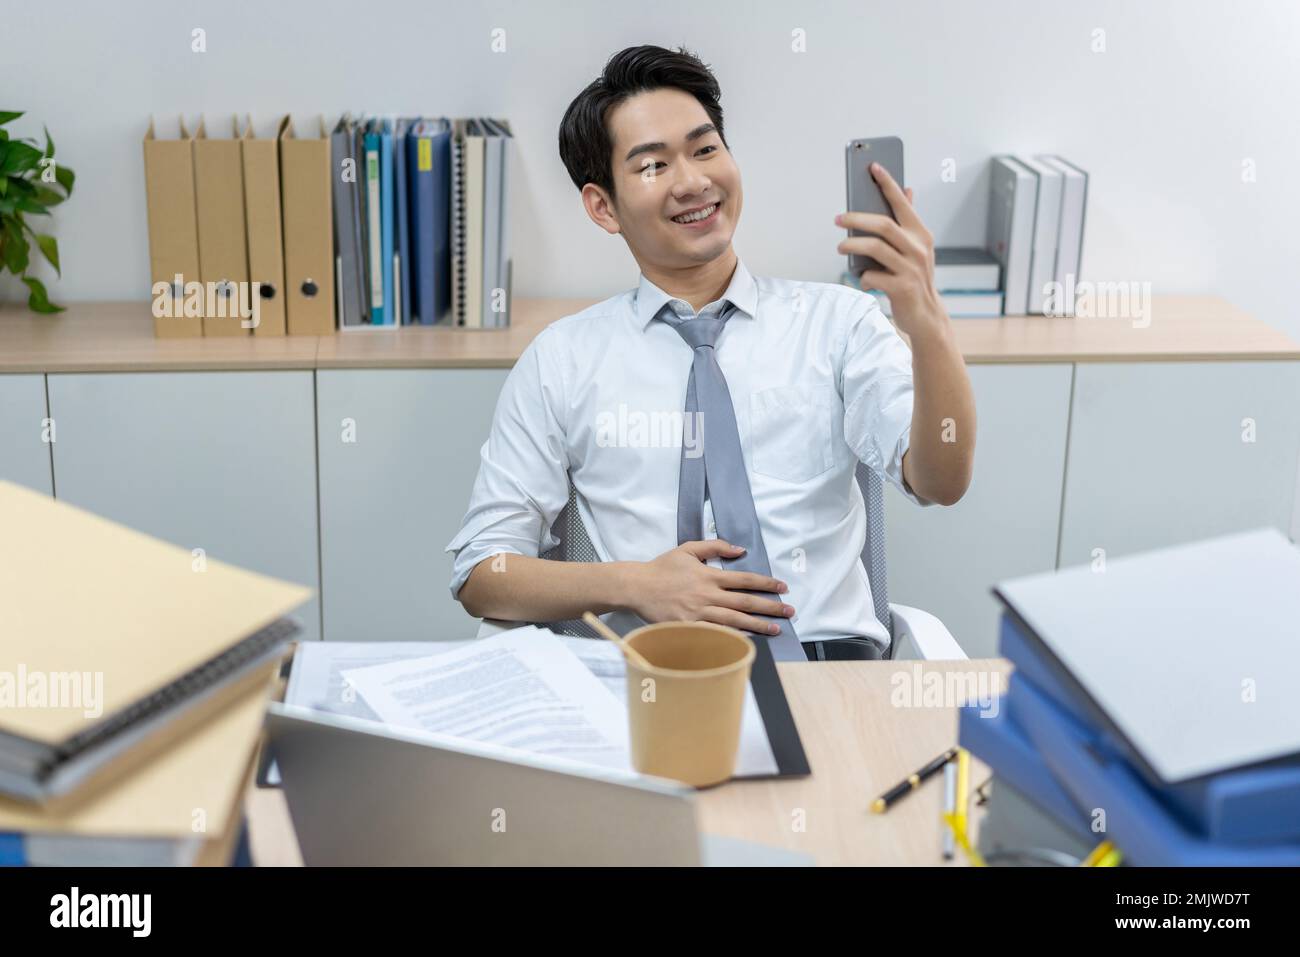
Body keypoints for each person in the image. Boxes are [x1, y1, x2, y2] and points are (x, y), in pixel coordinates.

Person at [447, 45, 975, 661]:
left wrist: (927, 320)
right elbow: (483, 572)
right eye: (653, 166)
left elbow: (941, 480)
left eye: (705, 149)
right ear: (602, 206)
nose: (693, 181)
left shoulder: (837, 323)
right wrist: (636, 584)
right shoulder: (563, 359)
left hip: (829, 668)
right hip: (650, 682)